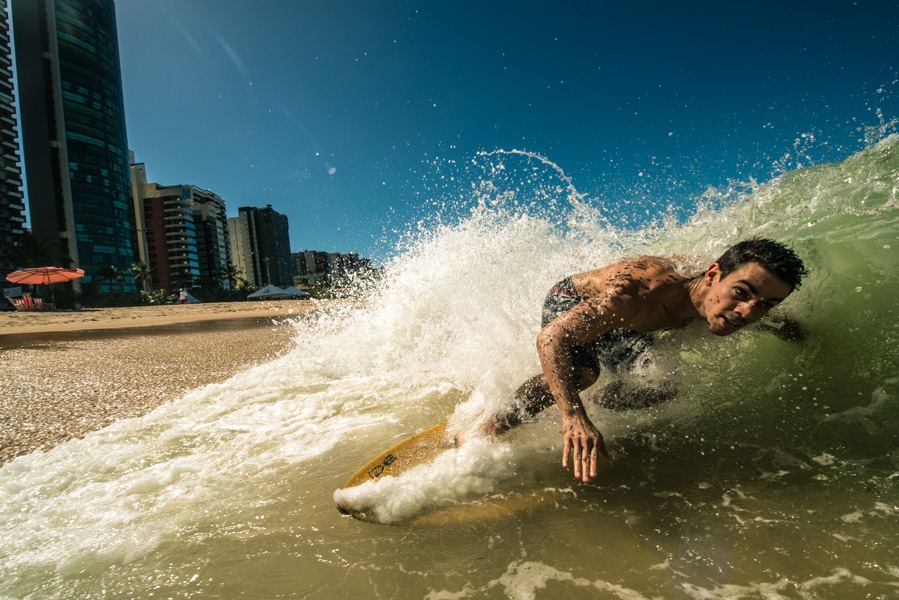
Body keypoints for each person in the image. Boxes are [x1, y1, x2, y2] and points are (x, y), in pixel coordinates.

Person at [477, 237, 808, 483]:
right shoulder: (637, 295)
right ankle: (482, 432)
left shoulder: (739, 305)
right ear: (712, 275)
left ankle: (591, 402)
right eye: (742, 293)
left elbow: (781, 322)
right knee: (581, 373)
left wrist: (811, 341)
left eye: (767, 304)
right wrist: (573, 416)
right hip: (575, 299)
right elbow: (551, 337)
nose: (748, 312)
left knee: (661, 385)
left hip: (630, 325)